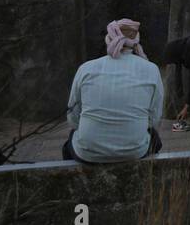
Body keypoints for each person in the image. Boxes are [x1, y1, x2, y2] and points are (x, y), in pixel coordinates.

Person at [63, 18, 164, 163]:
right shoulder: (151, 69)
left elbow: (72, 116)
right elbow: (155, 118)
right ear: (135, 42)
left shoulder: (86, 68)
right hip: (135, 151)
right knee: (155, 140)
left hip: (88, 152)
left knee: (69, 144)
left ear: (107, 39)